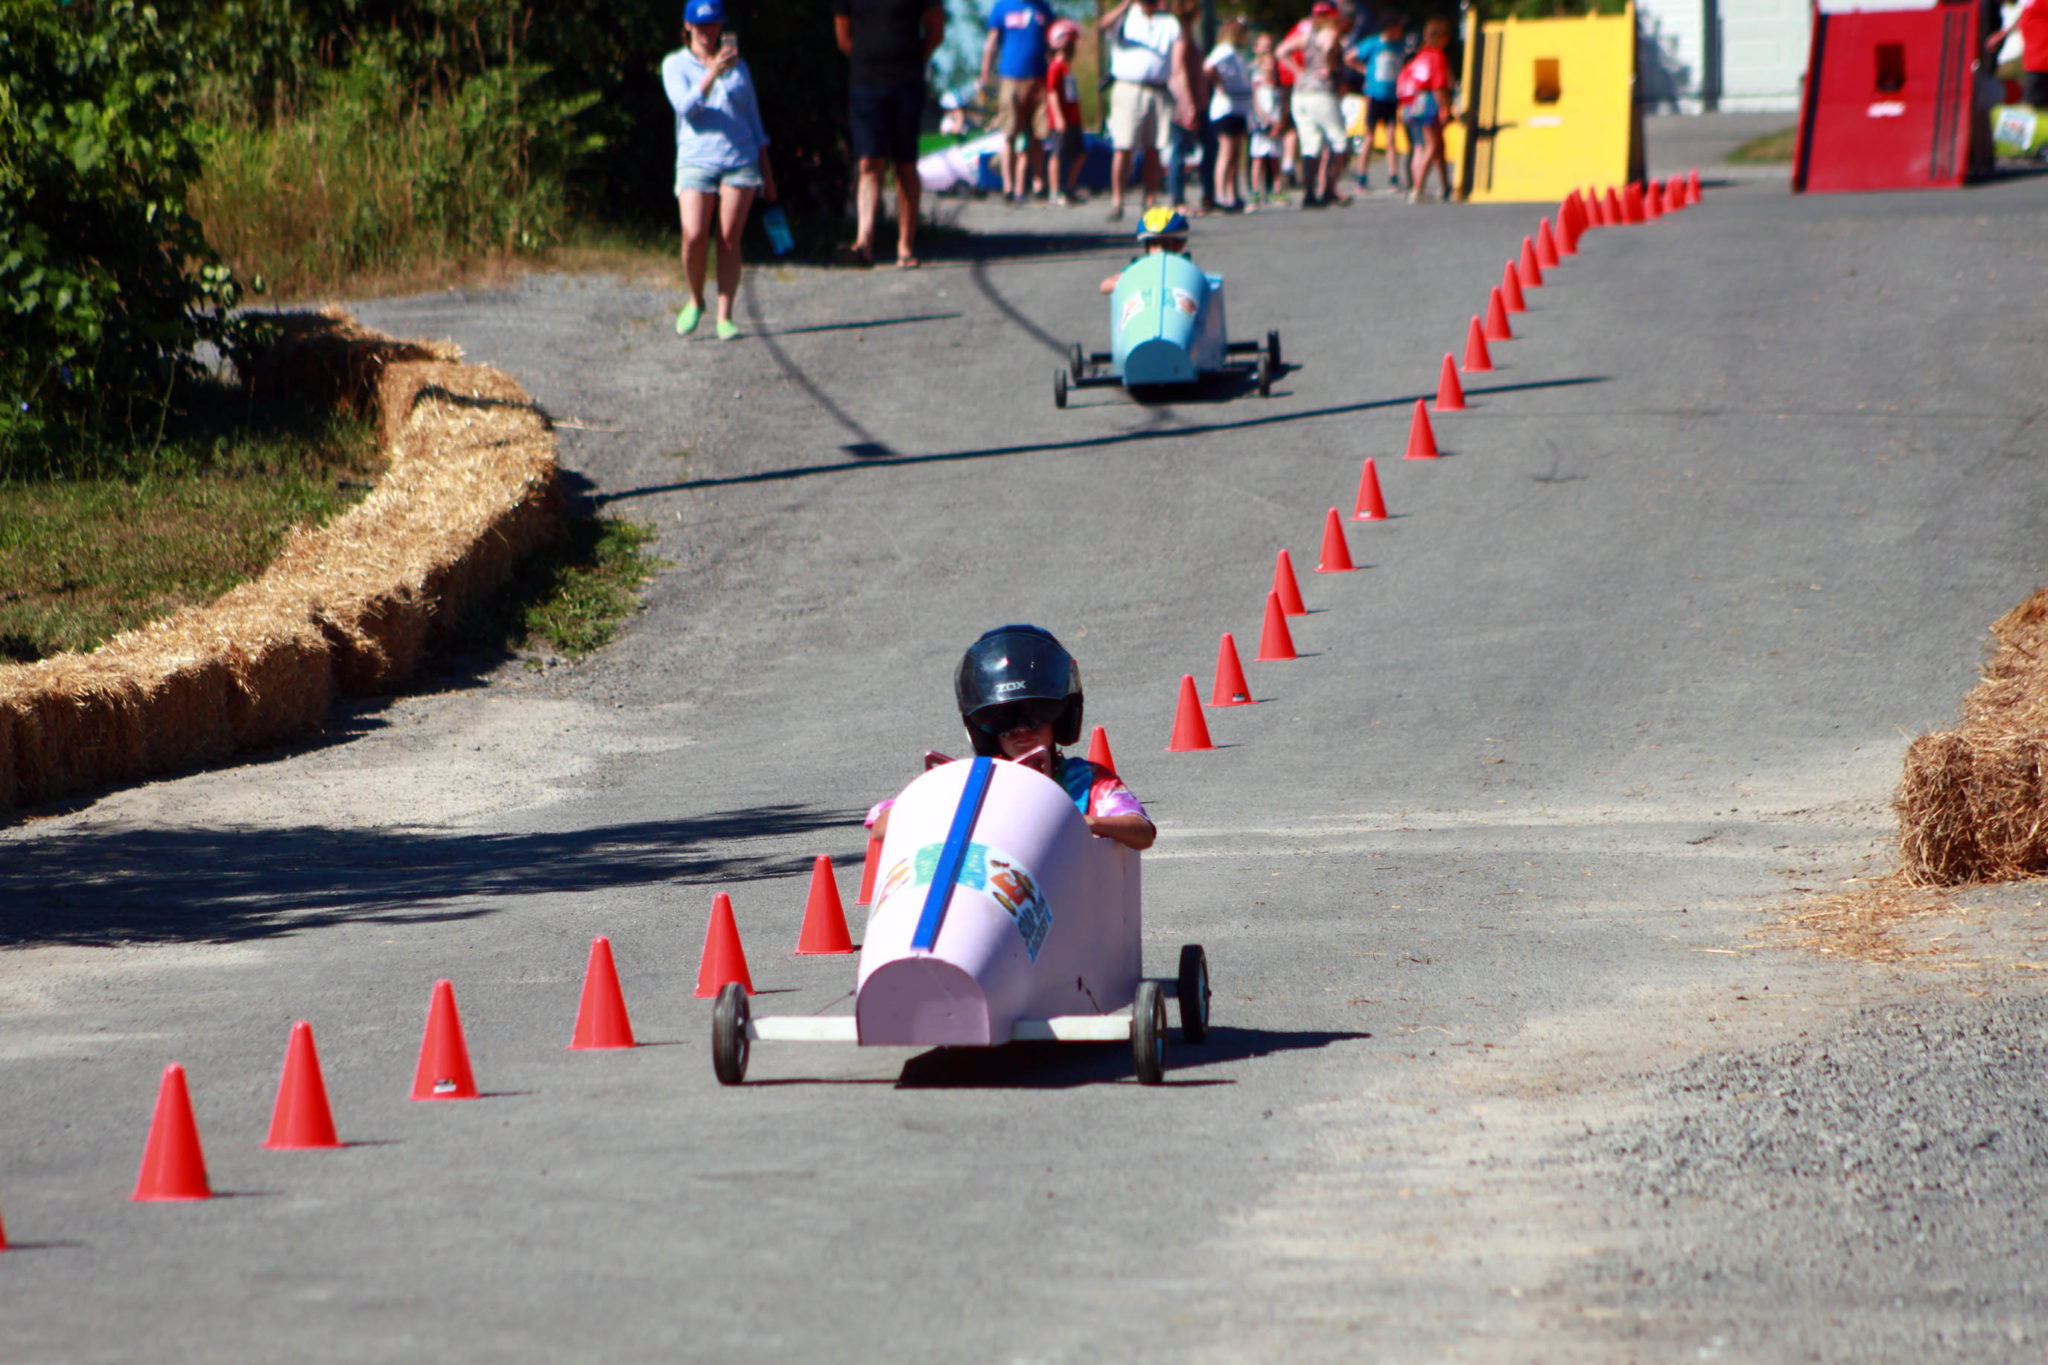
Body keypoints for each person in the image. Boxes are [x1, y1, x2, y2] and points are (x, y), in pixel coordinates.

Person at [865, 625, 1156, 851]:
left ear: (1061, 715)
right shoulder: (968, 783)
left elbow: (1142, 831)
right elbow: (881, 825)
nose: (1021, 730)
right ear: (982, 728)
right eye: (1003, 720)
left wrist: (1086, 823)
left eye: (1036, 714)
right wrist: (941, 815)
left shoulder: (1087, 782)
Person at [662, 0, 777, 342]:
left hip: (739, 160)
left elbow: (754, 123)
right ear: (687, 27)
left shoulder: (740, 67)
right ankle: (697, 300)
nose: (709, 32)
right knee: (694, 234)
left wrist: (768, 174)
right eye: (702, 26)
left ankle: (725, 315)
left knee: (728, 237)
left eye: (714, 25)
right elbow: (685, 108)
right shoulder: (674, 64)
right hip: (696, 159)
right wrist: (712, 73)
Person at [833, 0, 946, 267]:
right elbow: (843, 38)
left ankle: (905, 246)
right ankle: (864, 243)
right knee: (869, 162)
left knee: (905, 165)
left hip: (907, 84)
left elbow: (936, 31)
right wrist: (868, 62)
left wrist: (912, 61)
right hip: (865, 85)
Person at [1099, 0, 1185, 221]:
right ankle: (1118, 200)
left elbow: (1178, 60)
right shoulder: (1126, 17)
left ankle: (1150, 200)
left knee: (1154, 148)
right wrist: (1125, 5)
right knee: (1123, 146)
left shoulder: (1169, 21)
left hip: (1158, 89)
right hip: (1129, 87)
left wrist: (1183, 97)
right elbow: (1103, 25)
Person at [980, 0, 1054, 205]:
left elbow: (1052, 42)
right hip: (1011, 77)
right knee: (1009, 133)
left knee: (1039, 135)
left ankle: (1039, 185)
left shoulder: (1043, 8)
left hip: (1039, 79)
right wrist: (985, 73)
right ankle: (1008, 187)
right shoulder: (1003, 6)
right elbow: (992, 41)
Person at [1280, 1, 1350, 206]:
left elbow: (1282, 51)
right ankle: (1329, 188)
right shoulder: (1331, 32)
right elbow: (1328, 47)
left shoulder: (1307, 33)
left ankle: (1309, 194)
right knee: (1339, 142)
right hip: (1321, 91)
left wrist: (1298, 72)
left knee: (1311, 145)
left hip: (1300, 92)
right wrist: (1329, 66)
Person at [1397, 16, 1453, 203]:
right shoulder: (1437, 56)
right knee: (1431, 145)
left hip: (1416, 100)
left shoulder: (1421, 55)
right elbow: (1438, 85)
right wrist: (1445, 108)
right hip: (1429, 99)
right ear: (1441, 37)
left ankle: (1445, 185)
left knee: (1434, 145)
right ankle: (1418, 188)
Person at [1351, 16, 1406, 193]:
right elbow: (1350, 56)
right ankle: (1361, 176)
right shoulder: (1374, 43)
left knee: (1391, 138)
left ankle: (1393, 177)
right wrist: (1365, 71)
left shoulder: (1400, 45)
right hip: (1374, 96)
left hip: (1392, 96)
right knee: (1369, 137)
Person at [1205, 19, 1254, 212]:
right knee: (1226, 151)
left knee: (1235, 154)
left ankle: (1233, 194)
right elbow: (1208, 67)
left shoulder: (1236, 52)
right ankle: (1220, 195)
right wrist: (1219, 84)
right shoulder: (1224, 49)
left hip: (1239, 107)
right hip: (1227, 107)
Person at [1164, 0, 1208, 210]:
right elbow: (1178, 70)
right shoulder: (1180, 36)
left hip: (1199, 101)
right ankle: (1177, 199)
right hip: (1183, 102)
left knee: (1209, 147)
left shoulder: (1191, 34)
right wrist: (1187, 103)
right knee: (1180, 151)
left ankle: (1209, 196)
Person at [1099, 204, 1191, 293]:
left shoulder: (1185, 267)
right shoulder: (1140, 267)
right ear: (1147, 246)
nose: (1160, 250)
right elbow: (1104, 286)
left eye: (1166, 244)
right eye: (1154, 244)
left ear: (1179, 245)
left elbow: (1202, 281)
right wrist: (1129, 283)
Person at [1044, 19, 1086, 205]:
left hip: (1073, 119)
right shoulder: (1055, 66)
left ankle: (1068, 188)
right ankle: (1054, 191)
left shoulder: (1066, 67)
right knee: (1058, 154)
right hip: (1061, 120)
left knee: (1080, 153)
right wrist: (1059, 118)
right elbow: (1051, 92)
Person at [1989, 0, 2048, 108]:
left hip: (2043, 61)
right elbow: (2024, 18)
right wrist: (2004, 34)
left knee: (2032, 107)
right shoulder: (2032, 2)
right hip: (2032, 60)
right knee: (2032, 105)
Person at [1247, 34, 1283, 208]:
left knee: (1275, 159)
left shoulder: (1276, 85)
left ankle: (1276, 190)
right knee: (1258, 158)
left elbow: (1281, 105)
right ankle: (1255, 190)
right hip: (1261, 124)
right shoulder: (1257, 82)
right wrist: (1265, 119)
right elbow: (1256, 103)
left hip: (1275, 125)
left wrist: (1278, 123)